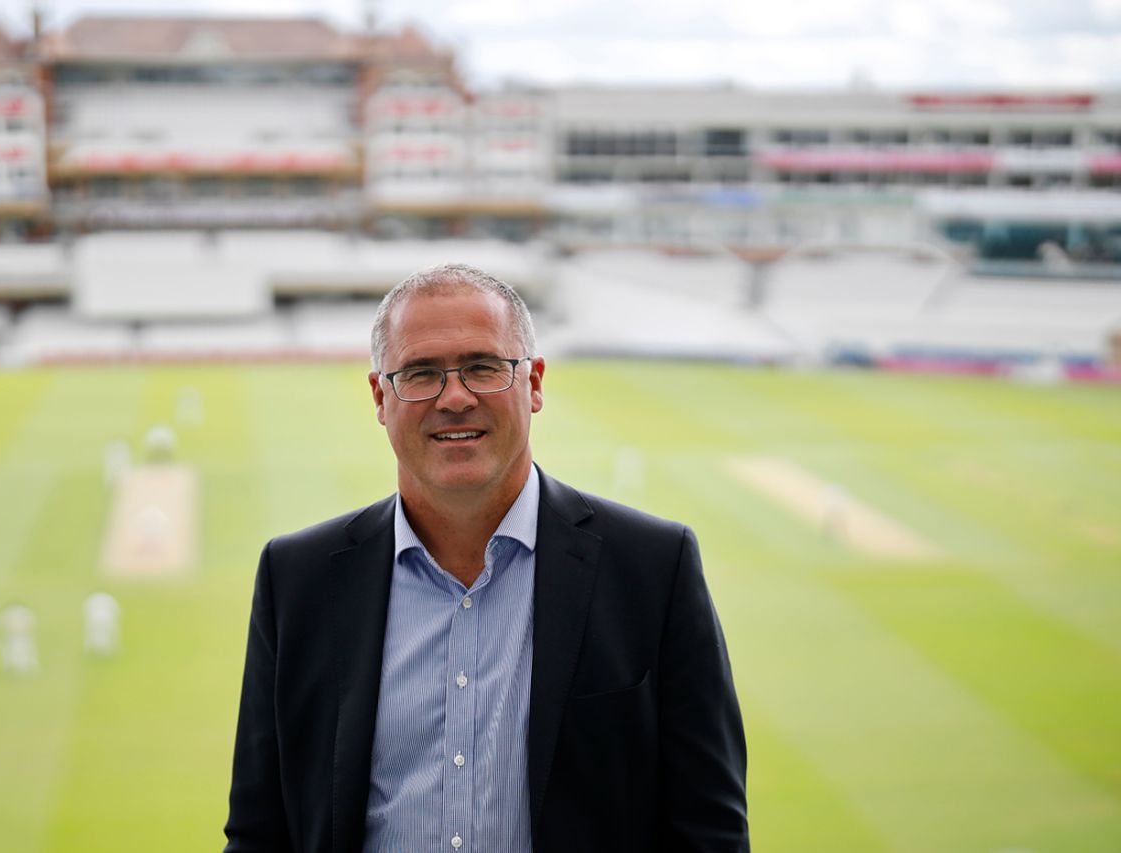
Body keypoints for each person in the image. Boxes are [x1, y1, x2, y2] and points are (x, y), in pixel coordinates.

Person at [225, 264, 748, 852]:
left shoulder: (654, 569)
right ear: (380, 396)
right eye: (420, 373)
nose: (455, 398)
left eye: (483, 368)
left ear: (535, 383)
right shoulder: (296, 580)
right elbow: (258, 833)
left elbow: (710, 832)